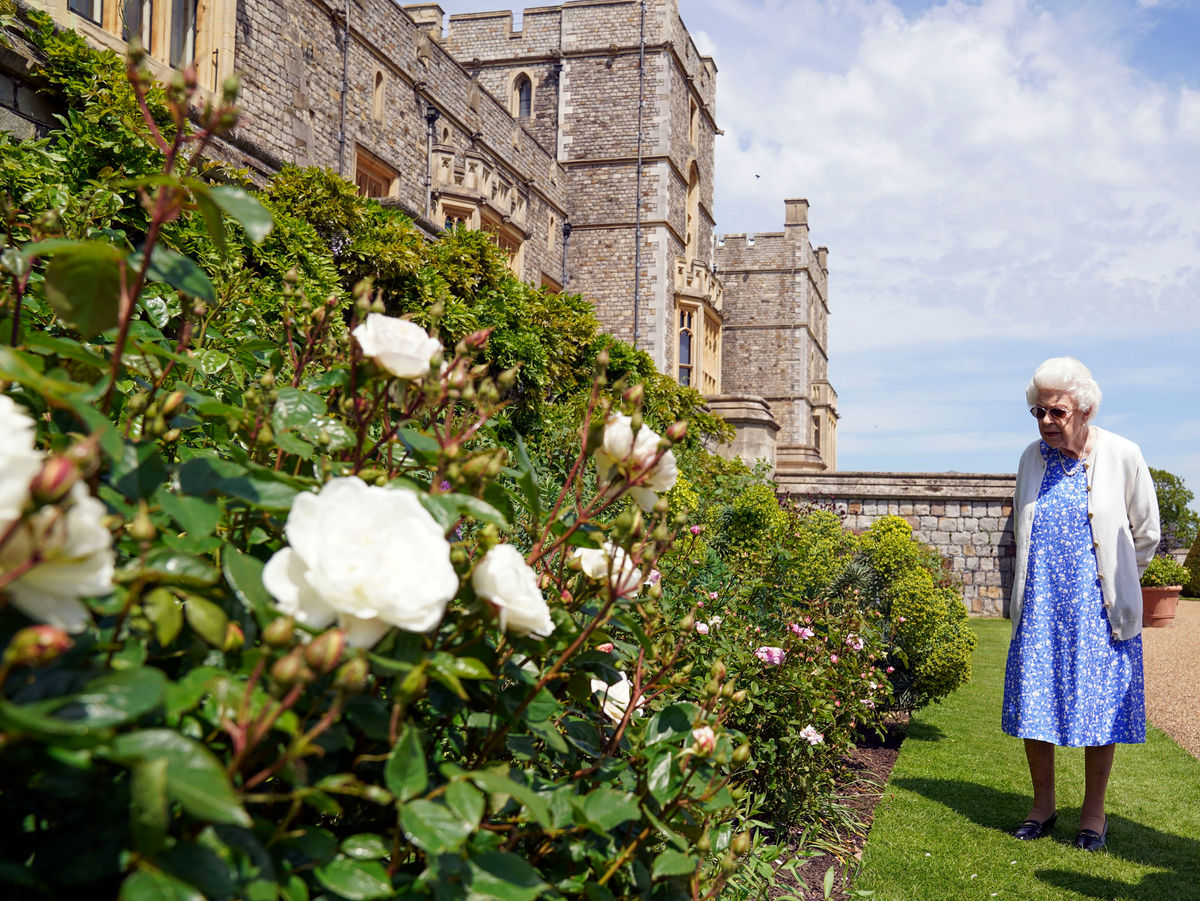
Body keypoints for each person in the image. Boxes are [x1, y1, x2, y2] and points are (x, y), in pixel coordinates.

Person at [1001, 357, 1159, 852]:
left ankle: (1093, 813)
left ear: (1084, 409)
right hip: (1041, 607)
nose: (1047, 421)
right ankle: (1042, 805)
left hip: (1098, 611)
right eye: (1038, 412)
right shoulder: (1031, 458)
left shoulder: (1123, 454)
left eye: (1057, 412)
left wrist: (1118, 582)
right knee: (1035, 705)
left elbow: (1147, 533)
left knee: (1100, 710)